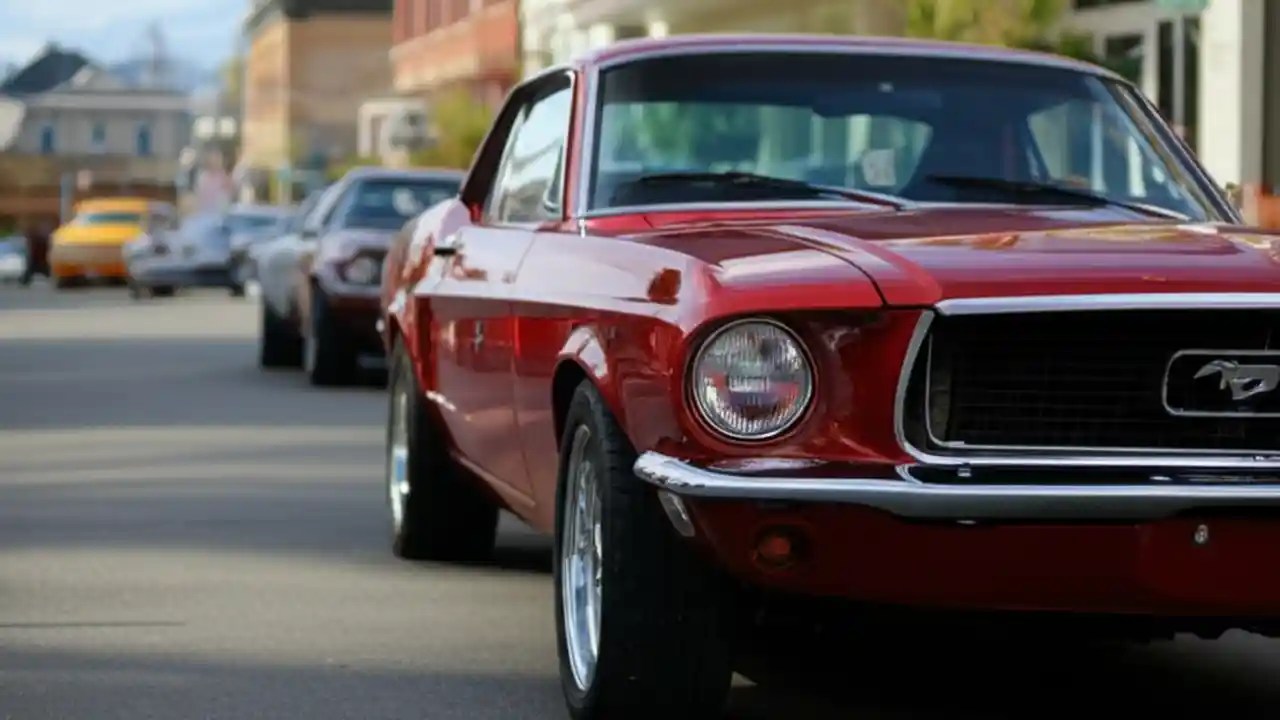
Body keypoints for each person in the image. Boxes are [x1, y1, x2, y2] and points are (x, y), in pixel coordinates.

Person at [20, 218, 51, 286]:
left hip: (38, 261)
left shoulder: (38, 240)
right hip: (39, 261)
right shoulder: (39, 240)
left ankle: (24, 281)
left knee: (31, 271)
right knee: (31, 271)